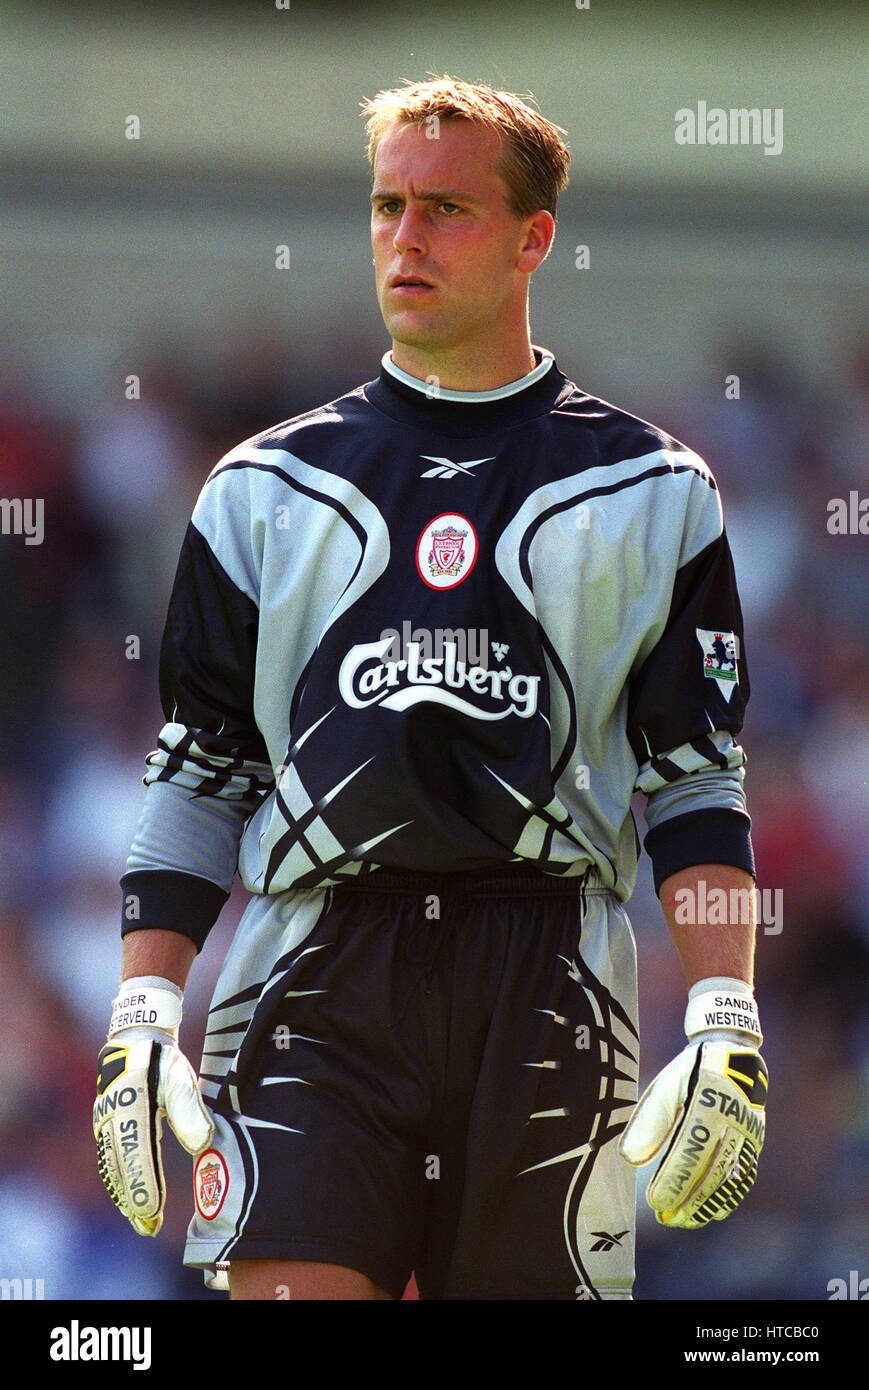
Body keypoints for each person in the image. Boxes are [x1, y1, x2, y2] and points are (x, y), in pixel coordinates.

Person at [93, 76, 768, 1301]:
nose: (404, 238)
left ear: (531, 239)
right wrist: (142, 1007)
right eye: (387, 206)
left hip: (549, 978)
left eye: (445, 209)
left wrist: (726, 1014)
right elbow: (201, 766)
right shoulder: (259, 488)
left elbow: (694, 778)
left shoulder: (655, 491)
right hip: (315, 973)